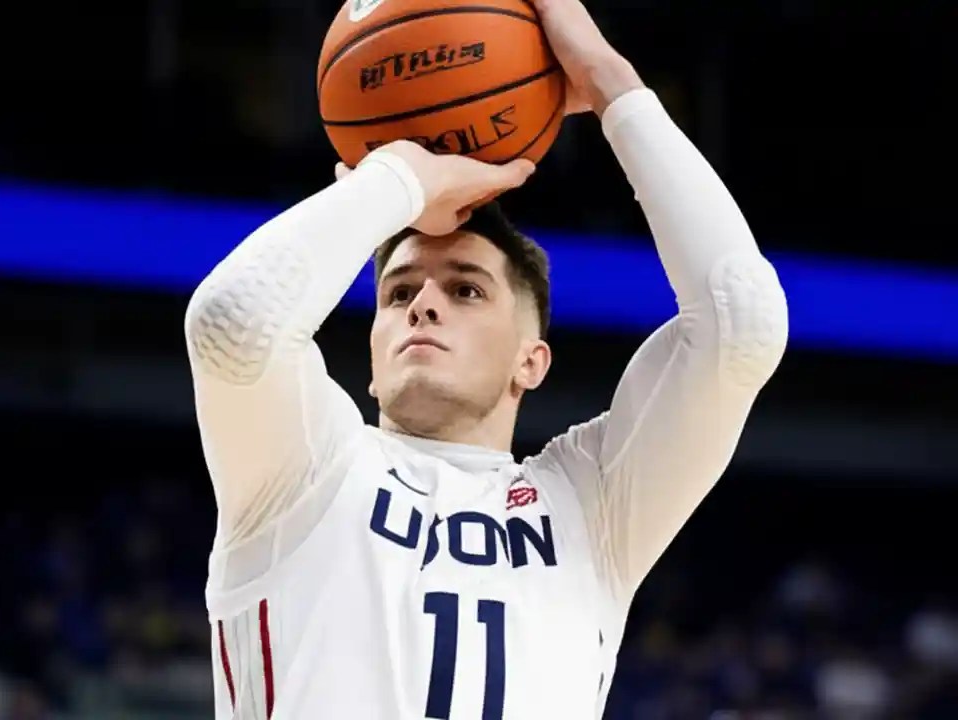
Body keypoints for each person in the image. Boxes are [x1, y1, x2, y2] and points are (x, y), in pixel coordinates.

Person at [183, 0, 789, 716]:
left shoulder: (591, 508)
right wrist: (400, 178)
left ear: (530, 363)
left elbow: (740, 323)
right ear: (371, 358)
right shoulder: (304, 470)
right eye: (398, 291)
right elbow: (232, 324)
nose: (423, 304)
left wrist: (608, 82)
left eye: (467, 290)